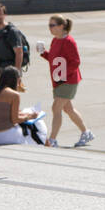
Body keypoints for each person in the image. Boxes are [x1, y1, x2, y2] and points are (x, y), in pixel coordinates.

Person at [39, 15, 92, 147]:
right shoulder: (55, 40)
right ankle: (86, 132)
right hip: (58, 80)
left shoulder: (69, 41)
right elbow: (53, 59)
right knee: (68, 109)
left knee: (56, 108)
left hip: (67, 81)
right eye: (49, 25)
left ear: (61, 26)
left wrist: (64, 75)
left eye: (52, 25)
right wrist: (43, 53)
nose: (50, 28)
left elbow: (76, 62)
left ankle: (52, 140)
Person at [0, 66, 43, 146]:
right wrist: (29, 117)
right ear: (16, 79)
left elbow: (1, 114)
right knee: (37, 128)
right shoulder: (14, 95)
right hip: (5, 135)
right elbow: (15, 119)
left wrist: (25, 115)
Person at [0, 3, 27, 71]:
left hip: (11, 69)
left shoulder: (12, 31)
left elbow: (19, 53)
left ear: (4, 15)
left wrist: (17, 72)